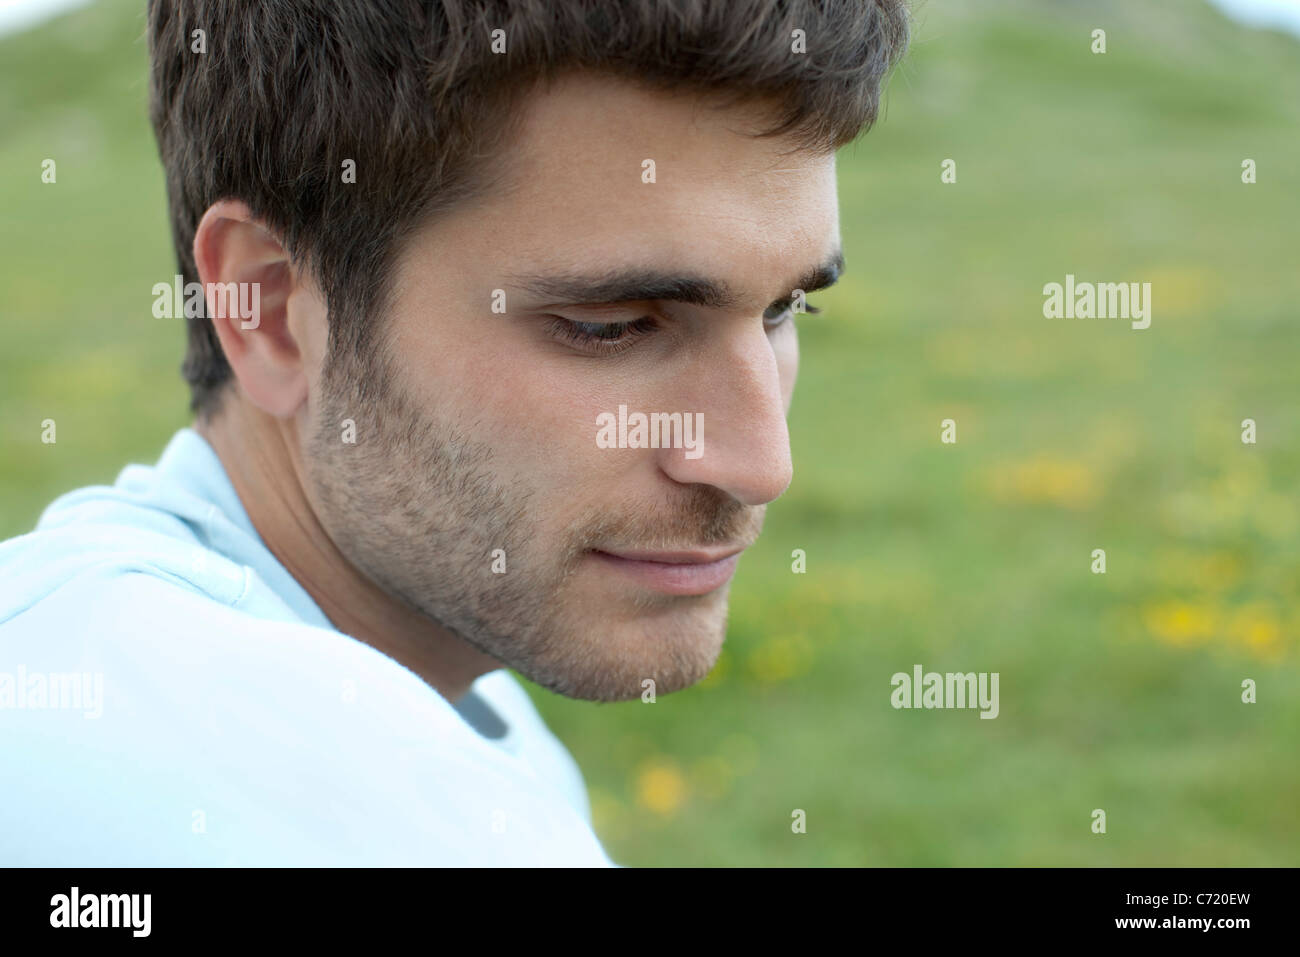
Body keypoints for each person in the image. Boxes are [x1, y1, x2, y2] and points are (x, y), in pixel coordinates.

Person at [0, 0, 908, 865]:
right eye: (614, 324)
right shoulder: (219, 758)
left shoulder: (438, 697)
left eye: (785, 307)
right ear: (271, 309)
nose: (760, 465)